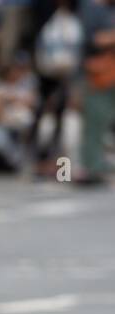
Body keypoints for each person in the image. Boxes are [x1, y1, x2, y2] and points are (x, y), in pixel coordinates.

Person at [29, 0, 82, 178]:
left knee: (65, 123)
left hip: (66, 76)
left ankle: (61, 171)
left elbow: (76, 49)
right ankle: (38, 165)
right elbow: (41, 48)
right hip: (47, 75)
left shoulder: (74, 18)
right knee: (42, 121)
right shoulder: (45, 17)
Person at [76, 0, 115, 186]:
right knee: (95, 122)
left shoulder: (108, 9)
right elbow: (94, 39)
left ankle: (98, 165)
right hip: (97, 75)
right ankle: (90, 168)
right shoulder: (91, 9)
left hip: (109, 74)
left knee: (104, 121)